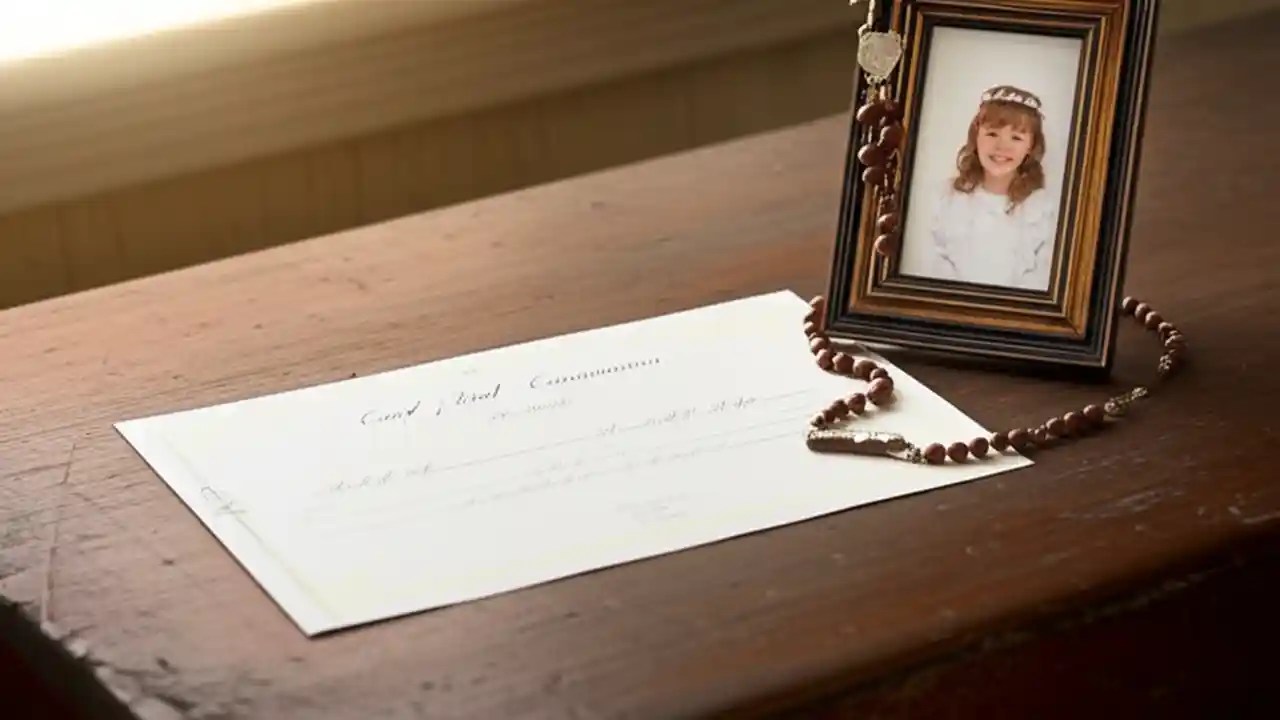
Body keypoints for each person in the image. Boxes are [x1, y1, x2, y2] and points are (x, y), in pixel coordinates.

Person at [923, 85, 1058, 291]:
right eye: (992, 134)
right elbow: (931, 259)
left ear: (1031, 146)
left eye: (1016, 137)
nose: (1002, 147)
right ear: (976, 137)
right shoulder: (944, 196)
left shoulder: (1043, 209)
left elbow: (1043, 276)